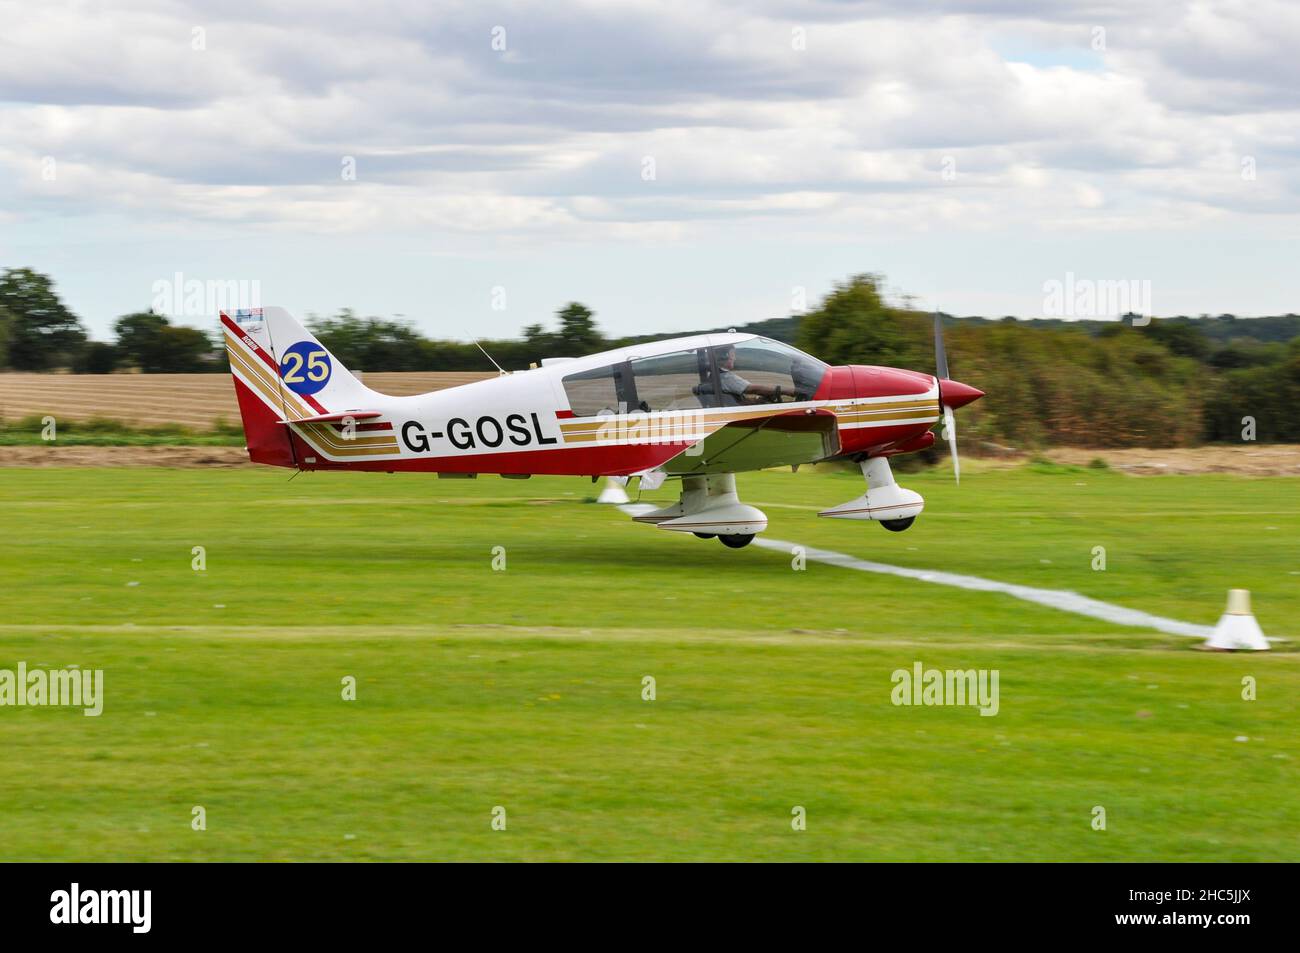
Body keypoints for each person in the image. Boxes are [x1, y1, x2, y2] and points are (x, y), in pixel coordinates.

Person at [713, 345, 782, 404]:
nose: (735, 358)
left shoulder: (715, 375)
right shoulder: (725, 377)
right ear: (724, 357)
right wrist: (787, 391)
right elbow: (754, 389)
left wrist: (759, 400)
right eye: (733, 355)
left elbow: (737, 402)